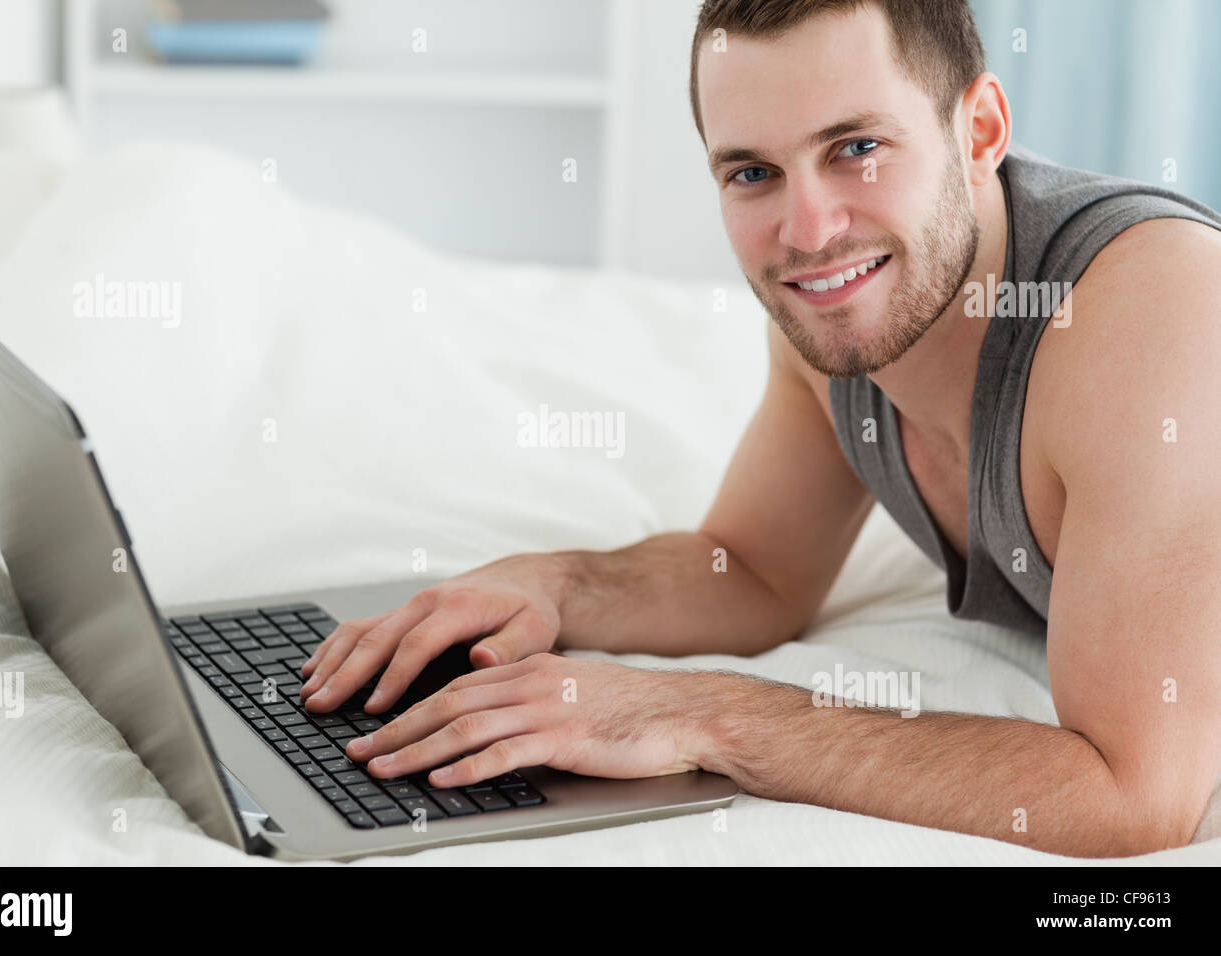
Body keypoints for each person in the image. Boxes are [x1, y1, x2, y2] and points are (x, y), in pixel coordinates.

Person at [300, 0, 1221, 856]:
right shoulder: (839, 318)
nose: (808, 230)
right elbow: (756, 571)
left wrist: (702, 715)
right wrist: (554, 582)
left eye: (857, 146)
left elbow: (1134, 796)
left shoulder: (1152, 312)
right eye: (753, 173)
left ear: (979, 131)